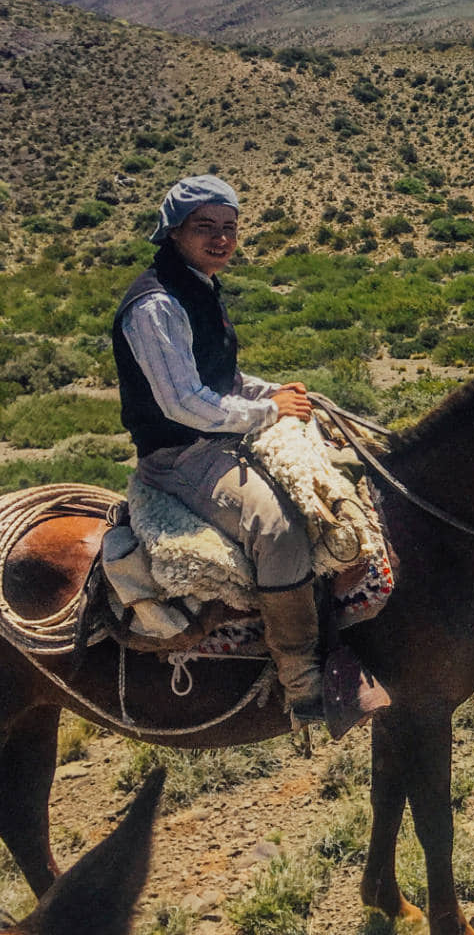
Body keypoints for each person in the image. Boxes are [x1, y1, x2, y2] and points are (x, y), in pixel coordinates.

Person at [110, 175, 325, 728]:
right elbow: (184, 402)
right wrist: (269, 411)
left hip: (216, 437)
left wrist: (273, 392)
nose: (221, 239)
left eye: (229, 228)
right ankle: (300, 678)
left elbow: (218, 379)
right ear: (174, 231)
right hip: (181, 456)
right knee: (275, 527)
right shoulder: (155, 303)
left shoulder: (199, 285)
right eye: (205, 227)